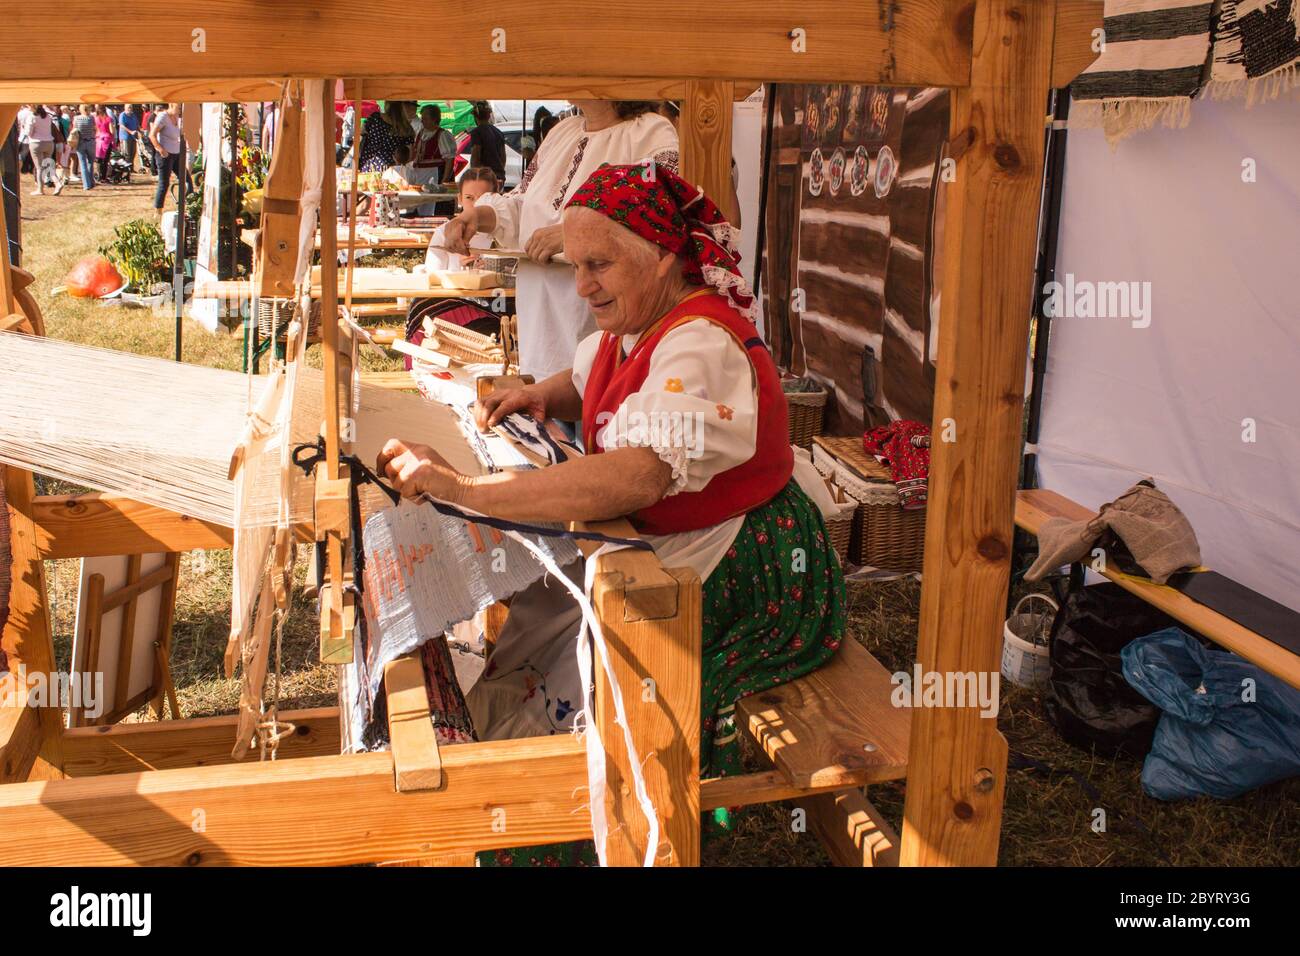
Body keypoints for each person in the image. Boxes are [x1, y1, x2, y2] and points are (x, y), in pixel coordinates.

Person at [377, 164, 846, 864]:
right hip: (673, 540)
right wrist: (536, 395)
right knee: (555, 613)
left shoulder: (702, 345)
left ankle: (601, 820)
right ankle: (520, 763)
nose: (583, 284)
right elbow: (596, 375)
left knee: (627, 663)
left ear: (664, 256)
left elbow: (637, 475)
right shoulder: (637, 324)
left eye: (600, 264)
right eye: (575, 264)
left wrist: (469, 494)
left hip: (751, 563)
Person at [441, 100, 678, 385]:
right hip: (540, 322)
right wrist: (479, 215)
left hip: (593, 320)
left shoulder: (652, 134)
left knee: (591, 400)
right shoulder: (562, 132)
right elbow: (523, 202)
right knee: (545, 409)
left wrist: (573, 235)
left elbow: (654, 217)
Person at [357, 100, 414, 173]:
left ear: (387, 105)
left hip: (367, 163)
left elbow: (361, 133)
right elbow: (410, 153)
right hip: (390, 167)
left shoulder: (375, 117)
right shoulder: (405, 127)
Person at [149, 103, 183, 211]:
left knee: (186, 180)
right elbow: (152, 135)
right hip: (165, 155)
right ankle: (158, 209)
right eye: (178, 107)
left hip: (176, 153)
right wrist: (160, 149)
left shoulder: (178, 117)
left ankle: (189, 206)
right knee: (164, 183)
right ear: (172, 105)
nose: (180, 110)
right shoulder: (163, 116)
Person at [465, 101, 506, 183]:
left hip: (484, 179)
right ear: (489, 115)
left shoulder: (477, 132)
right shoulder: (498, 132)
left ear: (475, 117)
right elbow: (503, 158)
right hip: (499, 177)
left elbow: (475, 158)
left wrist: (475, 177)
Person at [22, 105, 56, 195]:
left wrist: (24, 127)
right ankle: (57, 182)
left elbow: (28, 133)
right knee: (47, 165)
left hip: (37, 143)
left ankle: (40, 189)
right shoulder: (48, 116)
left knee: (39, 167)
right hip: (49, 142)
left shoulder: (32, 117)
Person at [70, 105, 97, 190]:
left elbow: (74, 130)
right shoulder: (91, 118)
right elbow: (95, 129)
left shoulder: (76, 118)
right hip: (91, 142)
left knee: (82, 164)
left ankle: (86, 184)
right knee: (90, 163)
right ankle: (91, 182)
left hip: (80, 142)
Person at [92, 104, 114, 184]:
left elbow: (94, 129)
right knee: (106, 160)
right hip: (107, 140)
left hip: (98, 139)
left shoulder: (96, 119)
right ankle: (104, 177)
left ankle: (99, 175)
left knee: (99, 159)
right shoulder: (108, 119)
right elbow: (112, 131)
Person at [118, 104, 141, 172]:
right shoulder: (123, 115)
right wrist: (130, 132)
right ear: (125, 108)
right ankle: (127, 169)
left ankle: (131, 168)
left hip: (133, 137)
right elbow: (122, 125)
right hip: (125, 137)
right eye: (128, 107)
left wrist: (139, 131)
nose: (130, 109)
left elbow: (137, 124)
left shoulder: (133, 115)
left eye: (131, 107)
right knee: (127, 153)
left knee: (133, 153)